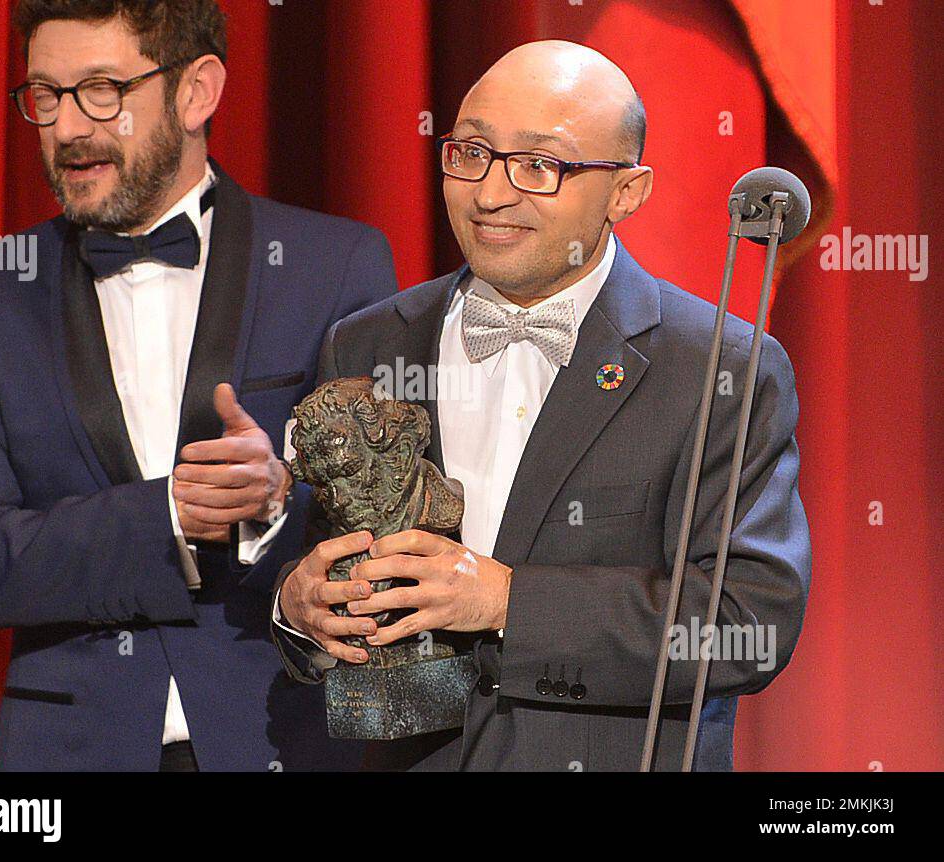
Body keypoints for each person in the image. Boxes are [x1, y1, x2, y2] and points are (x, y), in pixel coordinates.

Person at [273, 40, 811, 771]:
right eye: (469, 152)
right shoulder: (368, 342)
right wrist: (299, 610)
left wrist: (506, 603)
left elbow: (749, 620)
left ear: (628, 191)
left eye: (539, 165)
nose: (490, 194)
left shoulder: (721, 367)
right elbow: (326, 562)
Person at [0, 0, 396, 772]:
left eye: (102, 89)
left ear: (197, 90)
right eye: (45, 94)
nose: (67, 127)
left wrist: (273, 500)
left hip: (285, 741)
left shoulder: (336, 266)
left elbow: (382, 526)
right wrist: (167, 515)